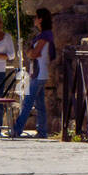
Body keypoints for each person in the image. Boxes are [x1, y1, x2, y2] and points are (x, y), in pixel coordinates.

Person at [11, 8, 55, 139]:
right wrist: (31, 52)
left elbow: (34, 53)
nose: (34, 19)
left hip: (39, 73)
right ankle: (42, 131)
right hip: (38, 73)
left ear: (40, 19)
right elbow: (32, 53)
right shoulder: (43, 35)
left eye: (36, 17)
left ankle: (17, 129)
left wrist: (30, 52)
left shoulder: (45, 36)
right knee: (40, 104)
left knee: (28, 102)